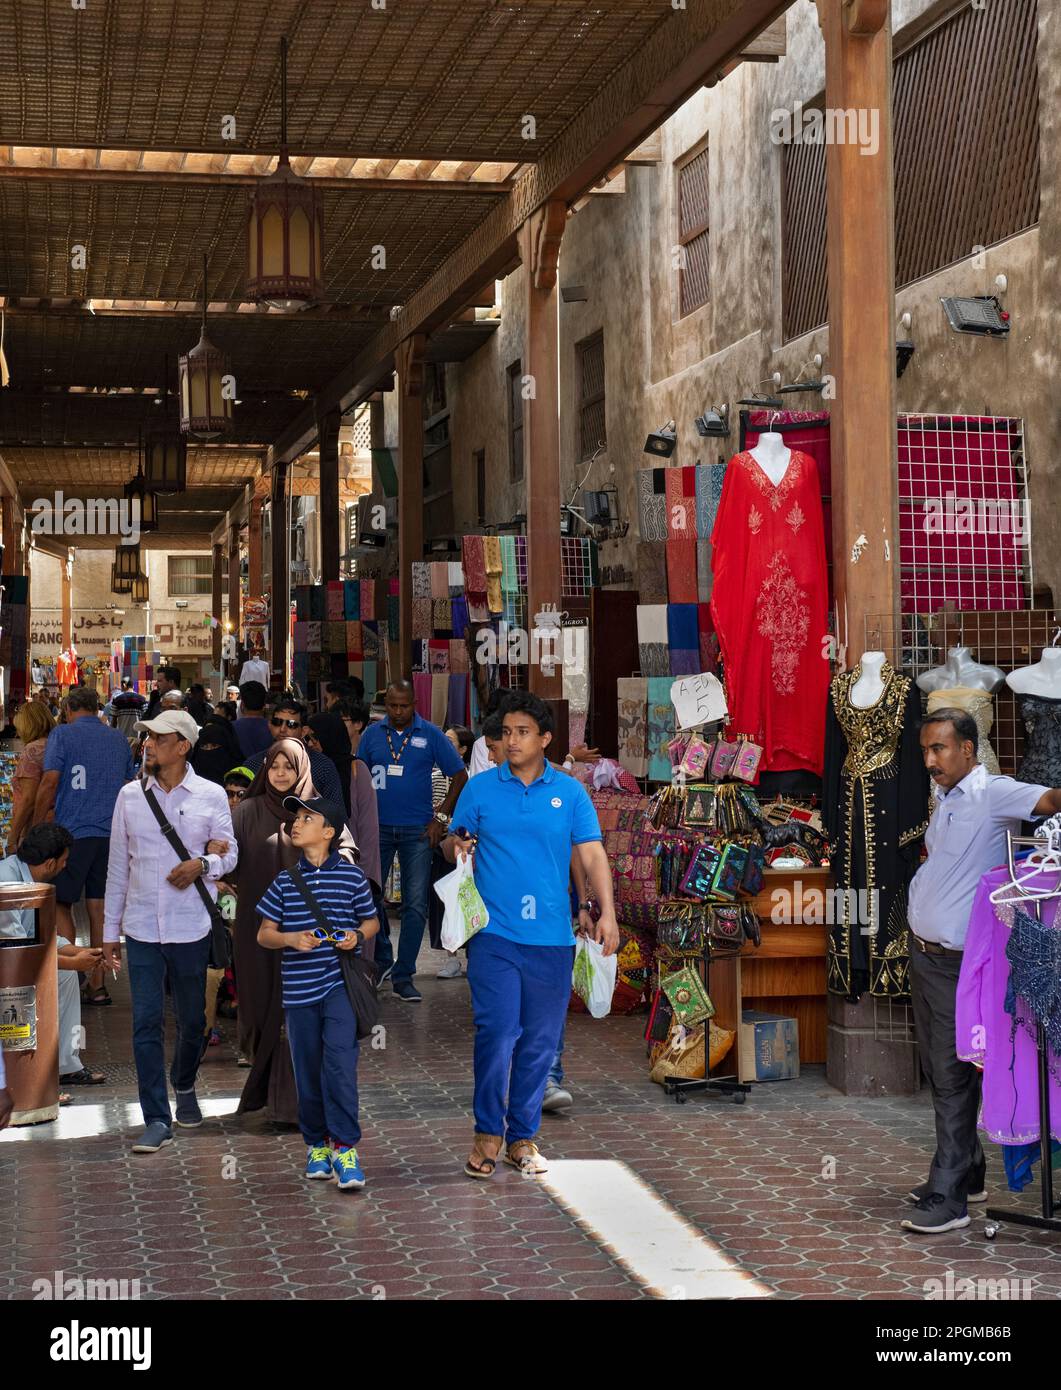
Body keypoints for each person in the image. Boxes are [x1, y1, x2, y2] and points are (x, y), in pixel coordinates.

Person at [443, 690, 619, 1179]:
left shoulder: (570, 794)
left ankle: (522, 1137)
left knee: (541, 1042)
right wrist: (456, 845)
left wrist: (605, 912)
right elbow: (449, 843)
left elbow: (591, 854)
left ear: (545, 739)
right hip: (494, 935)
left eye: (523, 732)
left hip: (552, 940)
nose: (512, 740)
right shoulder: (480, 790)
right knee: (496, 1033)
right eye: (506, 732)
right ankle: (486, 1133)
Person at [900, 708, 1061, 1234]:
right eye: (926, 750)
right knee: (939, 1069)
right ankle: (967, 1173)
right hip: (925, 954)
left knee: (952, 1077)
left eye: (939, 749)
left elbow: (1050, 801)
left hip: (959, 964)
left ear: (968, 749)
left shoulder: (995, 793)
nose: (930, 760)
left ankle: (950, 1200)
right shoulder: (945, 798)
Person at [102, 709, 237, 1153]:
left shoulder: (211, 794)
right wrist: (109, 932)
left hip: (190, 926)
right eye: (146, 738)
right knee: (146, 1022)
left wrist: (204, 864)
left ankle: (184, 1083)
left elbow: (230, 853)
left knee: (194, 1019)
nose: (148, 745)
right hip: (141, 927)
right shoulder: (128, 796)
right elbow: (118, 867)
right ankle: (156, 1118)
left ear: (182, 746)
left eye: (158, 739)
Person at [255, 794, 379, 1189]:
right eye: (296, 818)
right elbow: (264, 934)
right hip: (299, 992)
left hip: (339, 986)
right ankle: (316, 1146)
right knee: (306, 1071)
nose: (297, 823)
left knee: (339, 1067)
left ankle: (345, 1148)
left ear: (329, 832)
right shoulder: (285, 881)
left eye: (308, 818)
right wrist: (291, 939)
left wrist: (355, 935)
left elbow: (372, 921)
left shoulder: (352, 876)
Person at [232, 740, 358, 1116]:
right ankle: (274, 1095)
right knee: (261, 1008)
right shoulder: (247, 812)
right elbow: (226, 857)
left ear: (303, 768)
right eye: (274, 767)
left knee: (301, 1013)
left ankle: (297, 1104)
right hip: (260, 931)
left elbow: (348, 851)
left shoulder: (320, 811)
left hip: (310, 937)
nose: (282, 773)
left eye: (289, 766)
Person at [357, 679, 467, 1002]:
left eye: (404, 705)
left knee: (415, 904)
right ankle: (383, 960)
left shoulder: (431, 734)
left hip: (419, 831)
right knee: (369, 897)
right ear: (385, 703)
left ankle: (405, 974)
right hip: (377, 829)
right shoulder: (372, 736)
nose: (398, 711)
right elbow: (358, 776)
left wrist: (441, 819)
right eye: (392, 705)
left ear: (414, 703)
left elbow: (459, 776)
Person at [34, 687, 135, 1006]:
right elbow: (128, 784)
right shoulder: (118, 739)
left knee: (62, 903)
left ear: (67, 709)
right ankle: (98, 982)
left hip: (73, 832)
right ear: (97, 709)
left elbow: (50, 781)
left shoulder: (62, 735)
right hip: (111, 835)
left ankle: (71, 973)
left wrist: (38, 825)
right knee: (99, 908)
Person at [0, 823, 106, 1095]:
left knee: (67, 976)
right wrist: (72, 961)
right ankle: (27, 1077)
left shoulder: (33, 881)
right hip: (8, 969)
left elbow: (43, 938)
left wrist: (79, 953)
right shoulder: (7, 883)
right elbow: (18, 953)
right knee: (62, 974)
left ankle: (65, 1064)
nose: (65, 867)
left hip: (14, 962)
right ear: (49, 863)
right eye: (64, 861)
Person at [241, 697, 344, 804]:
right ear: (270, 725)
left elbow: (336, 813)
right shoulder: (253, 764)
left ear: (304, 731)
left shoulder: (323, 766)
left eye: (291, 724)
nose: (282, 729)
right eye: (277, 722)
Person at [433, 725, 476, 980]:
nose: (444, 746)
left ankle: (472, 955)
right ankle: (451, 957)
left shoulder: (471, 780)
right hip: (440, 846)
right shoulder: (435, 775)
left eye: (450, 742)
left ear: (463, 749)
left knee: (467, 902)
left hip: (465, 848)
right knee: (445, 904)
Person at [8, 699, 55, 850]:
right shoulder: (57, 745)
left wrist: (12, 837)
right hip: (58, 822)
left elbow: (28, 799)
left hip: (35, 826)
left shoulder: (32, 750)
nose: (18, 733)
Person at [306, 712, 354, 815]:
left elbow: (366, 813)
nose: (310, 744)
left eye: (315, 738)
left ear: (329, 736)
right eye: (308, 738)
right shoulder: (309, 765)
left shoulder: (354, 767)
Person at [191, 717, 243, 787]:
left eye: (214, 746)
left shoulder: (239, 776)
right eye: (204, 746)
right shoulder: (189, 774)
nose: (209, 750)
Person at [233, 680, 273, 760]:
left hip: (238, 772)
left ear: (242, 704)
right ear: (264, 705)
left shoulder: (230, 728)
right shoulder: (274, 728)